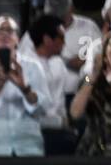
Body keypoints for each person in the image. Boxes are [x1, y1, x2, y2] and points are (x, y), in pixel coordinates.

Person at [0, 16, 49, 155]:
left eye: (10, 31)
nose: (5, 34)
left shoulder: (34, 67)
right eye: (0, 30)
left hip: (28, 146)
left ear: (17, 39)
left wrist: (24, 88)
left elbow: (42, 108)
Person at [70, 28, 111, 154]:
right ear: (105, 50)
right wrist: (93, 76)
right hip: (92, 149)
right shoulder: (89, 79)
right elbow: (75, 113)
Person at [26, 13, 77, 153]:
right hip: (34, 132)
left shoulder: (59, 63)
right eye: (61, 38)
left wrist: (89, 79)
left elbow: (62, 100)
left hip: (59, 131)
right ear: (47, 40)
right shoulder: (24, 65)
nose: (64, 43)